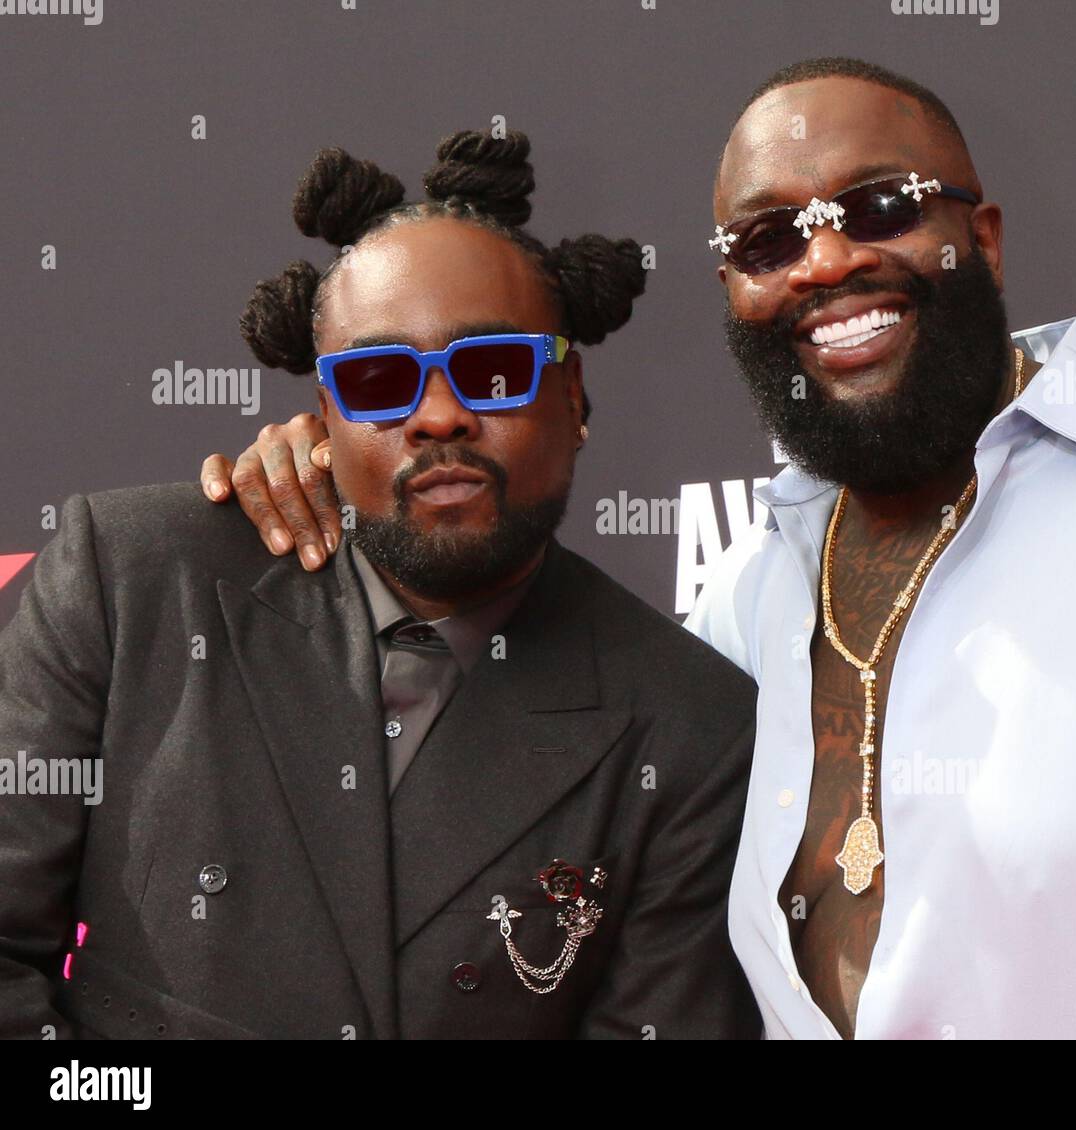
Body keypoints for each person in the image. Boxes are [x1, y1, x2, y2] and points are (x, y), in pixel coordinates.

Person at [200, 59, 1076, 1041]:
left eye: (879, 206)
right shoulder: (744, 598)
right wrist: (329, 473)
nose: (824, 262)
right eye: (767, 240)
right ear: (733, 290)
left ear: (986, 239)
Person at [0, 129, 761, 1040]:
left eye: (494, 369)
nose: (440, 414)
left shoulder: (692, 722)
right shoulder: (128, 577)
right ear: (326, 416)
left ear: (575, 398)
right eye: (378, 380)